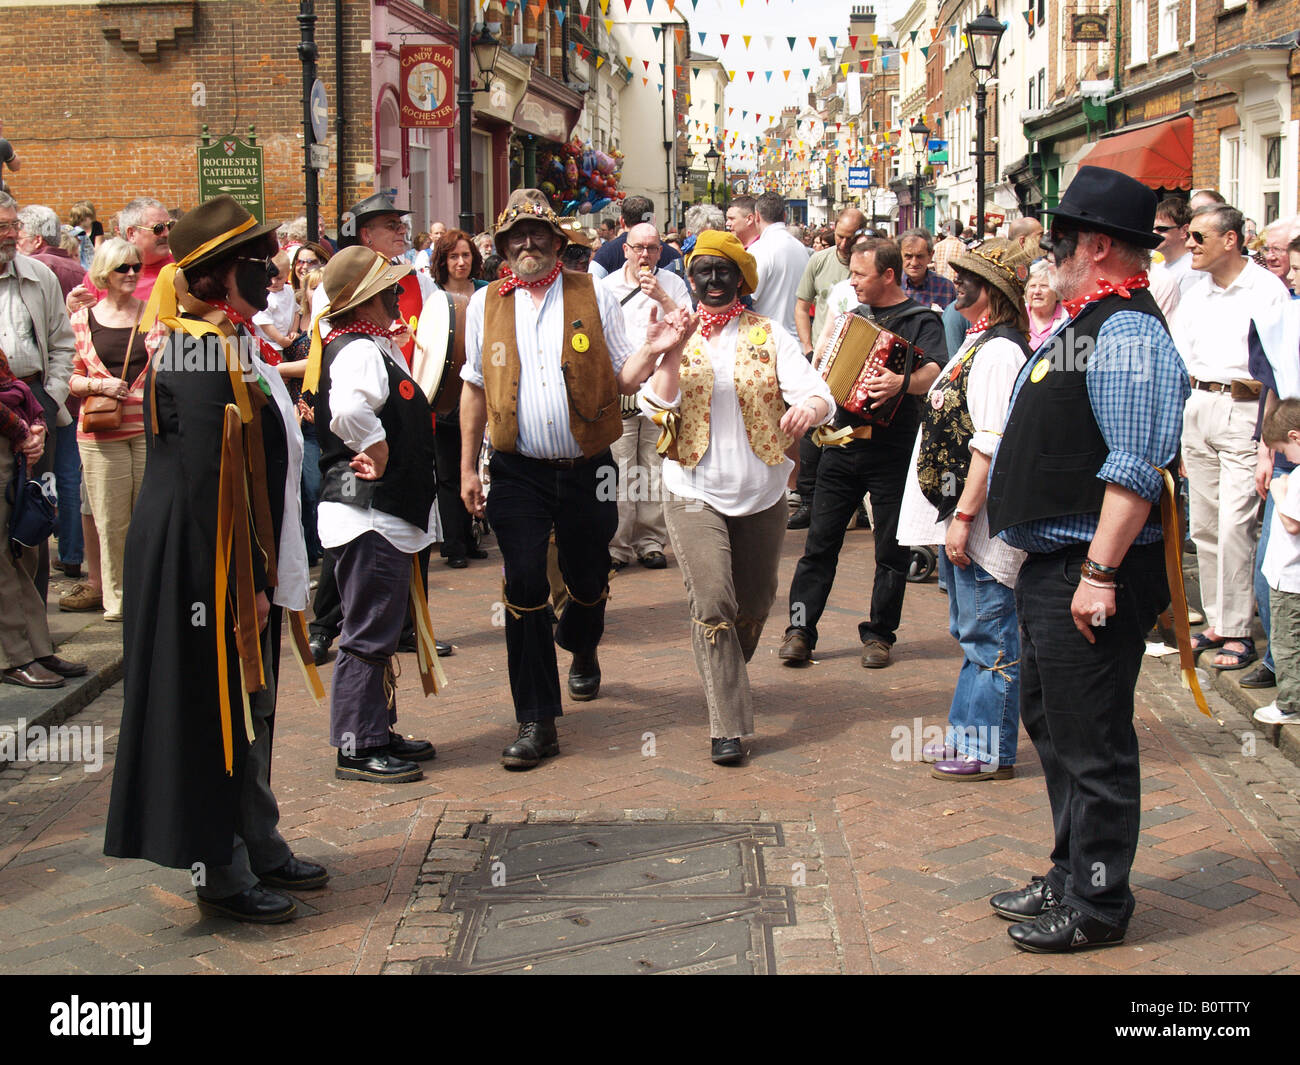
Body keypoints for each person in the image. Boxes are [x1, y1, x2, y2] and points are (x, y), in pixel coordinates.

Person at [984, 165, 1189, 952]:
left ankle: (1099, 904)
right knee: (1055, 723)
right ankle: (1071, 873)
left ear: (1099, 247)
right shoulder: (1093, 318)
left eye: (1062, 241)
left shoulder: (1129, 329)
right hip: (1059, 566)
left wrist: (1100, 572)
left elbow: (1136, 462)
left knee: (1093, 739)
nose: (1050, 254)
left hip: (1089, 567)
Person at [106, 195, 325, 924]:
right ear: (218, 277)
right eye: (253, 260)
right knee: (220, 713)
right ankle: (223, 870)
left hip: (239, 562)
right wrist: (241, 585)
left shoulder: (225, 339)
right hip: (206, 567)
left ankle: (257, 840)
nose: (268, 270)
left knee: (253, 709)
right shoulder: (197, 352)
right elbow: (212, 483)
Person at [458, 189, 691, 770]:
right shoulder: (484, 304)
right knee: (525, 586)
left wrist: (656, 350)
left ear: (559, 243)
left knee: (589, 576)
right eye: (517, 236)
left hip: (588, 467)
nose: (528, 244)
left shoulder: (592, 294)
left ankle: (583, 641)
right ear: (504, 247)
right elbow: (474, 387)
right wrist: (467, 466)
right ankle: (536, 718)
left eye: (539, 234)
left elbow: (621, 379)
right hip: (517, 472)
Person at [640, 231, 833, 764]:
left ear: (742, 280)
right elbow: (656, 402)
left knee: (754, 603)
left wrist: (808, 412)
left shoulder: (770, 334)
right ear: (692, 278)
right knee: (712, 603)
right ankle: (726, 725)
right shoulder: (679, 330)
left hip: (762, 491)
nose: (714, 281)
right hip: (692, 488)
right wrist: (672, 350)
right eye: (703, 271)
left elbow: (820, 393)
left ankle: (725, 670)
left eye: (725, 271)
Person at [302, 245, 445, 784]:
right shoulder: (360, 348)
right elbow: (347, 411)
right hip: (368, 517)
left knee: (378, 628)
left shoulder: (360, 345)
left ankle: (376, 729)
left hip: (369, 514)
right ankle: (357, 745)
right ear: (365, 299)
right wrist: (377, 446)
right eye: (387, 289)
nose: (396, 296)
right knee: (366, 632)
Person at [897, 239, 1033, 780]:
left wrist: (966, 517)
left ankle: (989, 748)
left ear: (994, 292)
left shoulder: (999, 352)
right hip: (960, 512)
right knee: (971, 630)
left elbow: (990, 443)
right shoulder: (981, 342)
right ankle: (965, 736)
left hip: (977, 520)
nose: (957, 284)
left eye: (968, 279)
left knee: (990, 633)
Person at [779, 237, 944, 669]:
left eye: (860, 274)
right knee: (818, 546)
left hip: (891, 451)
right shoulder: (852, 319)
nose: (852, 281)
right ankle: (799, 629)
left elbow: (935, 371)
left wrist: (900, 383)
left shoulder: (922, 319)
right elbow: (826, 375)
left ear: (888, 275)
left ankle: (879, 635)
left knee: (890, 551)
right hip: (841, 445)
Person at [1174, 204, 1291, 671]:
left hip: (1245, 408)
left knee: (1235, 522)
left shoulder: (1265, 290)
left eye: (1200, 237)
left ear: (1231, 240)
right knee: (1203, 523)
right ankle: (1221, 620)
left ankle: (1240, 631)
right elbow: (1182, 356)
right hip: (1198, 406)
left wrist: (1270, 438)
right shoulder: (1195, 291)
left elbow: (1280, 368)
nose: (1190, 245)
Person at [67, 237, 168, 622]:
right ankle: (118, 600)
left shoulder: (153, 315)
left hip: (144, 429)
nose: (130, 274)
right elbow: (71, 378)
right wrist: (100, 385)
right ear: (104, 275)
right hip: (100, 433)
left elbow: (165, 370)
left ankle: (148, 594)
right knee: (110, 521)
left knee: (147, 516)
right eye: (122, 268)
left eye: (135, 267)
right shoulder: (82, 319)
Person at [600, 221, 692, 572]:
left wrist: (662, 297)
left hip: (660, 390)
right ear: (625, 249)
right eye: (638, 247)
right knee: (619, 470)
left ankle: (650, 541)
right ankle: (617, 544)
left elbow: (687, 328)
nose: (645, 255)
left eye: (652, 248)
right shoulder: (607, 288)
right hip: (623, 388)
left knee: (654, 468)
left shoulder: (672, 284)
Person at [0, 191, 75, 606]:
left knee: (36, 514)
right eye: (2, 227)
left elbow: (63, 345)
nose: (11, 235)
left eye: (15, 226)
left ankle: (37, 635)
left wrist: (50, 398)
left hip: (34, 400)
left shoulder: (37, 274)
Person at [1, 349, 86, 689]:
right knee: (3, 562)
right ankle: (15, 658)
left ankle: (37, 648)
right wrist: (23, 431)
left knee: (23, 552)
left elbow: (14, 386)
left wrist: (36, 425)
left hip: (13, 448)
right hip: (10, 438)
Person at [789, 207, 867, 528]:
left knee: (851, 433)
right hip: (824, 361)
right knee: (817, 430)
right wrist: (809, 348)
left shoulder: (869, 260)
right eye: (839, 236)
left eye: (851, 238)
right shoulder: (820, 261)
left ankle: (856, 504)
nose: (844, 244)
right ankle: (810, 500)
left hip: (861, 363)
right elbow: (801, 305)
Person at [430, 227, 488, 569]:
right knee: (449, 473)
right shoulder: (435, 296)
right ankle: (454, 544)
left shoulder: (483, 292)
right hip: (444, 395)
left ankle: (469, 537)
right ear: (443, 261)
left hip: (477, 391)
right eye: (453, 256)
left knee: (474, 467)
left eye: (466, 255)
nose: (461, 262)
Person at [1255, 400, 1300, 723]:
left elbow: (1292, 523)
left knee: (1287, 645)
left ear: (1295, 437)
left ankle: (1290, 704)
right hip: (1287, 576)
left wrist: (1279, 491)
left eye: (1284, 449)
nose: (1286, 457)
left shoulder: (1295, 478)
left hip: (1290, 580)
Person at [68, 197, 175, 309]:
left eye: (169, 226)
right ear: (132, 233)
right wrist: (71, 308)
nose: (167, 233)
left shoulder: (182, 268)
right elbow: (82, 317)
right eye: (158, 228)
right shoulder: (103, 272)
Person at [749, 191, 811, 340]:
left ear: (757, 216)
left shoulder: (759, 249)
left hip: (766, 340)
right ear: (784, 216)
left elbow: (748, 298)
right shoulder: (801, 249)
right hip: (796, 341)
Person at [588, 196, 684, 280]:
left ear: (621, 221)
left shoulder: (604, 254)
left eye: (652, 249)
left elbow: (592, 289)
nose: (644, 254)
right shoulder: (674, 256)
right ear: (653, 220)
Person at [899, 227, 958, 309]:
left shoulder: (945, 287)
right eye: (908, 256)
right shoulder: (890, 285)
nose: (914, 263)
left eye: (920, 256)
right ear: (899, 255)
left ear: (930, 256)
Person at [1150, 197, 1197, 298]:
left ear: (1184, 231)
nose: (1154, 233)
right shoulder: (1159, 266)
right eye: (1152, 228)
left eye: (1161, 229)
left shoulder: (1191, 270)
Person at [1024, 258, 1067, 348]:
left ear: (1056, 292)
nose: (1037, 291)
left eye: (1044, 286)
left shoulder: (1067, 319)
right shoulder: (1017, 316)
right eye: (1032, 286)